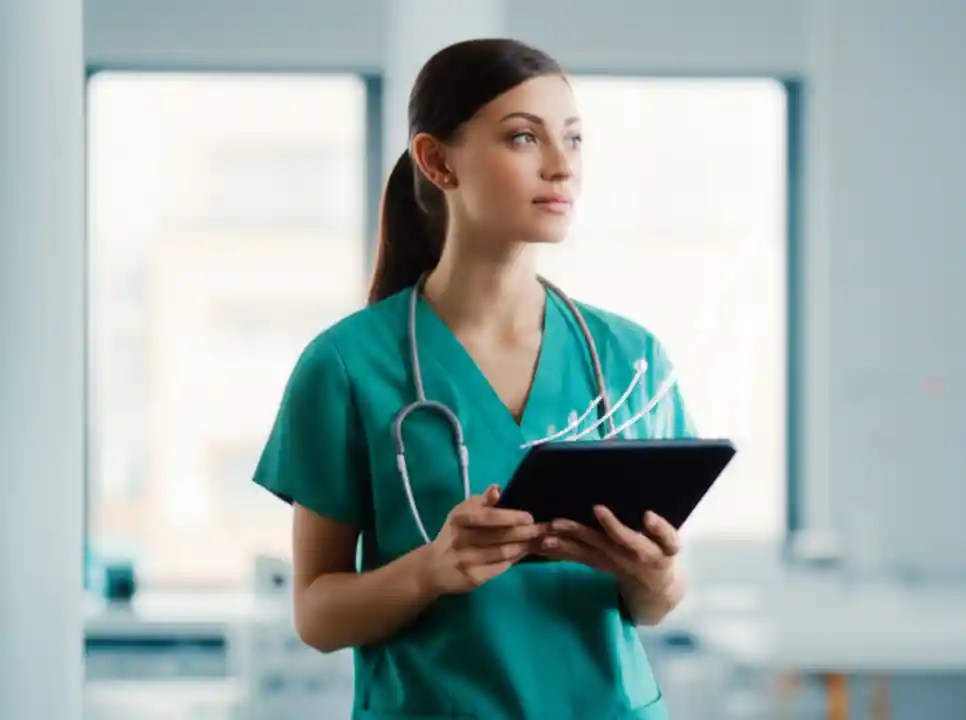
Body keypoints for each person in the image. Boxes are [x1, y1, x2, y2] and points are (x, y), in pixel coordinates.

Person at [252, 37, 697, 719]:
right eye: (524, 137)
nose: (560, 167)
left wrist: (657, 577)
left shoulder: (631, 361)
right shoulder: (346, 366)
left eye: (574, 141)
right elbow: (317, 615)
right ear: (437, 161)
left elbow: (653, 605)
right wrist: (433, 569)